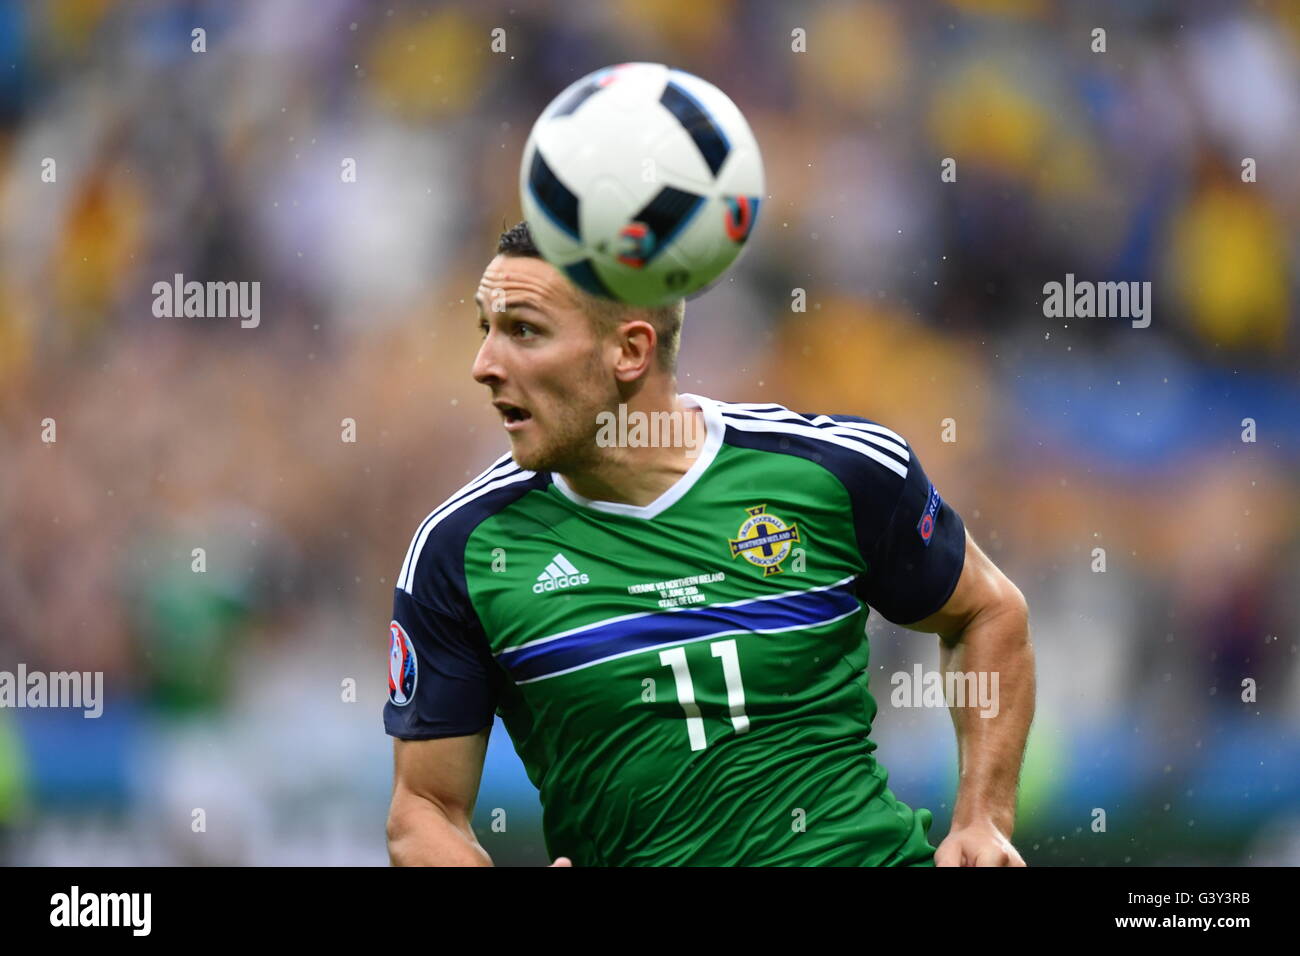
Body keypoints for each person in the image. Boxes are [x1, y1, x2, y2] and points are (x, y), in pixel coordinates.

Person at [383, 220, 1034, 866]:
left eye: (523, 331)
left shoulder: (834, 471)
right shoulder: (458, 552)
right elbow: (423, 811)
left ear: (630, 351)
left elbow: (987, 609)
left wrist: (983, 819)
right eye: (485, 329)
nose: (484, 365)